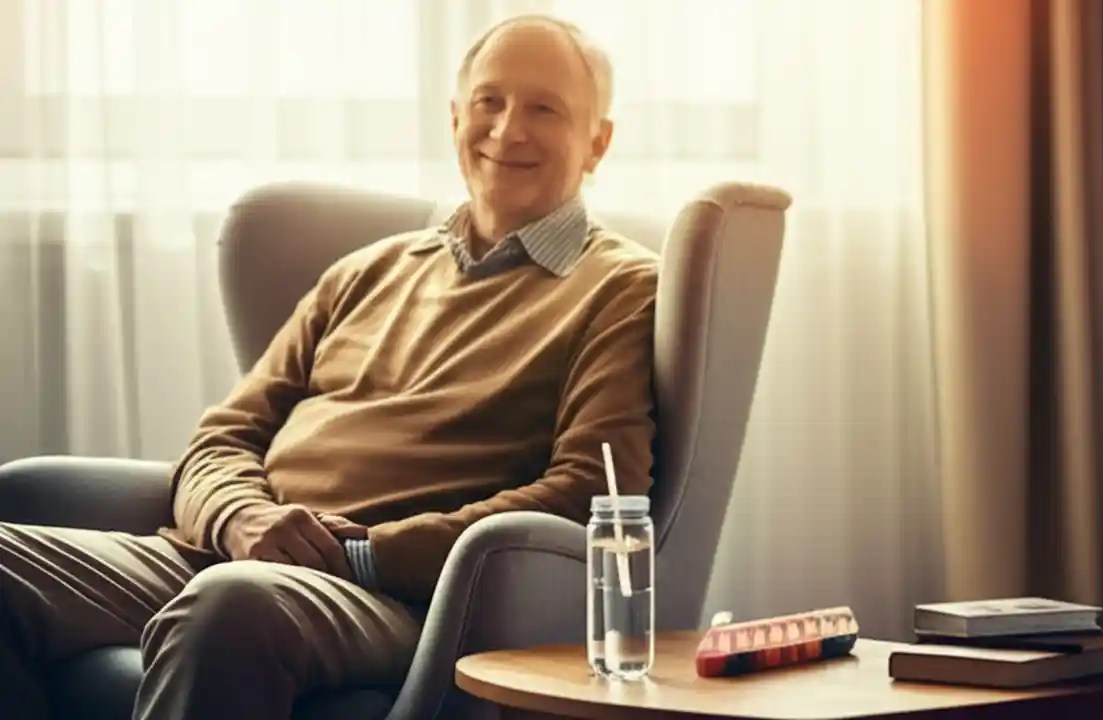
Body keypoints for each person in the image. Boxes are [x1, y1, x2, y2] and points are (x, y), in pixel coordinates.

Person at [0, 14, 656, 719]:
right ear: (456, 117)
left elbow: (589, 491)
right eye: (489, 102)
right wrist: (243, 518)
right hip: (229, 555)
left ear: (598, 142)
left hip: (398, 596)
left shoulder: (621, 287)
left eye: (544, 108)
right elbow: (222, 438)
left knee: (231, 605)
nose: (507, 129)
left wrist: (365, 555)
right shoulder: (365, 271)